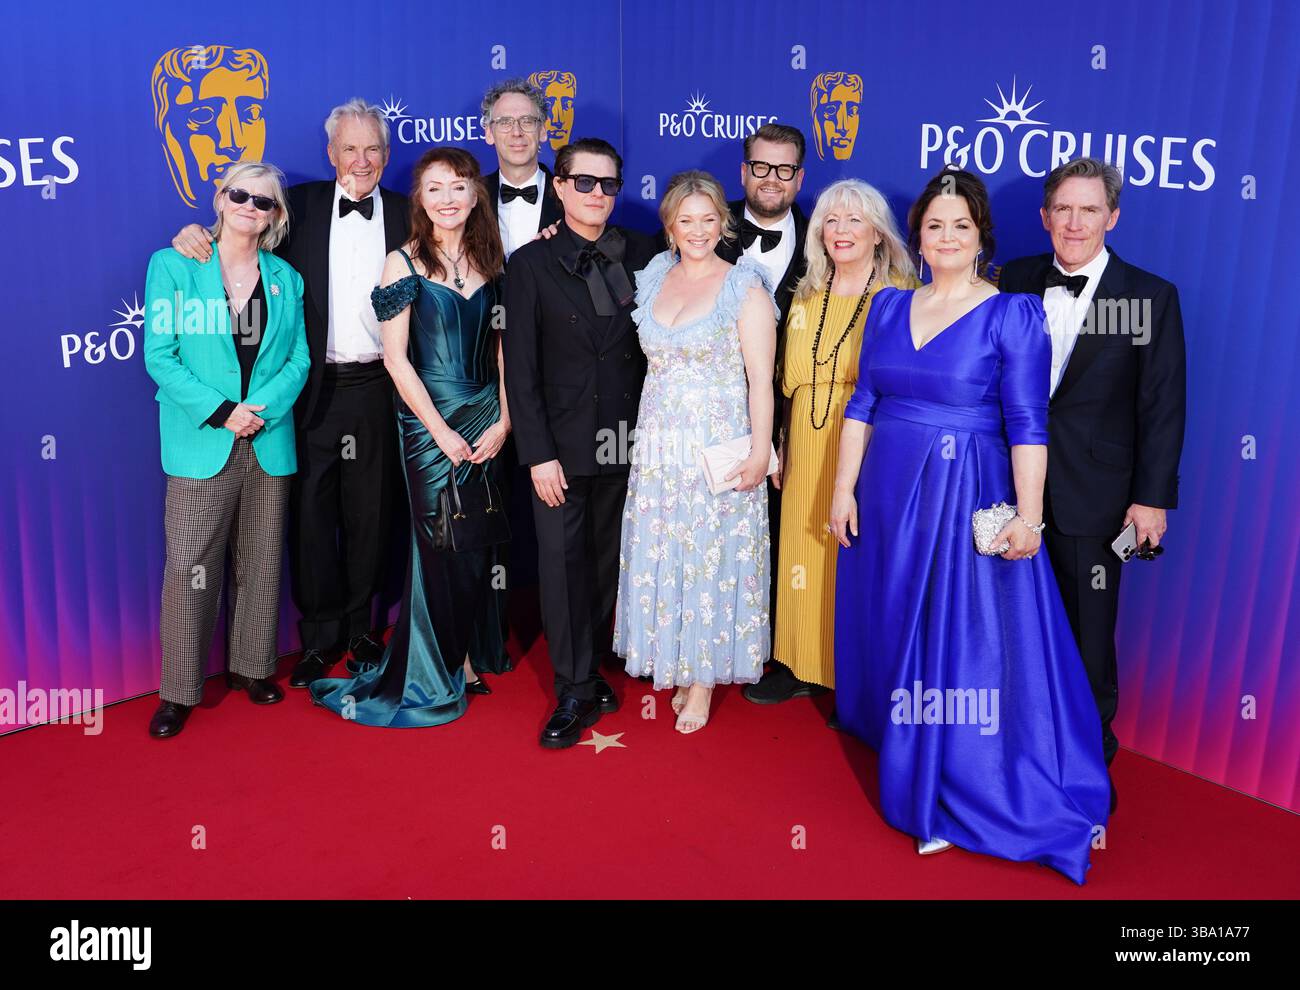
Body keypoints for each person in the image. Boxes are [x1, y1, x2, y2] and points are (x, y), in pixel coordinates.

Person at [829, 167, 1109, 883]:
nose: (947, 237)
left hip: (964, 496)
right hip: (888, 497)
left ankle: (952, 787)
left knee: (954, 640)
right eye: (934, 225)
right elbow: (862, 402)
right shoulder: (887, 307)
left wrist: (1030, 518)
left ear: (981, 234)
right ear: (916, 235)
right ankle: (900, 740)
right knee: (897, 623)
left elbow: (1027, 424)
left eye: (961, 225)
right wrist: (842, 489)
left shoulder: (1011, 315)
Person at [171, 98, 411, 688]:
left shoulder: (412, 213)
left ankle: (360, 630)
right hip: (308, 391)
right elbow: (239, 231)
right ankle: (318, 636)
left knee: (370, 515)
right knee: (308, 518)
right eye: (349, 148)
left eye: (372, 149)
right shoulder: (295, 207)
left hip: (383, 384)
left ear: (386, 155)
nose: (361, 160)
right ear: (331, 154)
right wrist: (193, 234)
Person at [1000, 158, 1186, 811]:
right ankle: (1010, 745)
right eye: (1063, 209)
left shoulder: (1148, 296)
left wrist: (1152, 496)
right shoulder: (1016, 278)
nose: (1074, 223)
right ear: (1046, 215)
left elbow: (1162, 405)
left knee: (1086, 632)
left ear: (1112, 216)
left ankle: (1082, 761)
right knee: (1006, 619)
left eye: (1089, 210)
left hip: (1096, 496)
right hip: (1007, 485)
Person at [309, 147, 510, 726]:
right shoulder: (403, 263)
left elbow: (503, 347)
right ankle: (434, 665)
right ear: (419, 199)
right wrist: (442, 432)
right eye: (435, 188)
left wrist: (505, 419)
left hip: (487, 413)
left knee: (478, 537)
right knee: (439, 540)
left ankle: (467, 654)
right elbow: (396, 362)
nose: (448, 198)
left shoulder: (493, 260)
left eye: (459, 186)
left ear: (476, 194)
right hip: (428, 420)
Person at [143, 162, 310, 738]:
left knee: (262, 559)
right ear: (220, 198)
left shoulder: (287, 279)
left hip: (266, 436)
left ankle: (251, 667)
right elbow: (160, 356)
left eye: (262, 201)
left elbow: (300, 360)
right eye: (239, 194)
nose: (248, 206)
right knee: (191, 564)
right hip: (202, 438)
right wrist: (223, 412)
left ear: (275, 216)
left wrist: (256, 410)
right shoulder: (173, 266)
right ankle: (179, 691)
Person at [503, 137, 656, 748]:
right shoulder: (529, 264)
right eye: (585, 183)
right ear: (559, 186)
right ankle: (572, 687)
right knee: (561, 564)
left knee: (606, 559)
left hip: (629, 441)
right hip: (559, 447)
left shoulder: (647, 254)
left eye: (609, 185)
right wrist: (537, 453)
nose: (597, 194)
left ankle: (593, 664)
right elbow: (520, 369)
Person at [614, 170, 778, 733]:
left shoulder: (745, 286)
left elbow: (762, 378)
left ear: (723, 223)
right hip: (660, 445)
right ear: (670, 226)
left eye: (709, 219)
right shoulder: (654, 275)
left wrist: (761, 452)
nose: (699, 230)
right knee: (668, 550)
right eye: (687, 220)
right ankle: (680, 663)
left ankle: (704, 679)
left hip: (719, 445)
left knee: (713, 557)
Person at [748, 179, 914, 707]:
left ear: (878, 234)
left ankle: (855, 677)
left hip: (867, 441)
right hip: (804, 436)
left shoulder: (902, 298)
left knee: (854, 553)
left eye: (854, 221)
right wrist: (780, 443)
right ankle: (798, 662)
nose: (840, 231)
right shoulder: (803, 293)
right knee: (802, 546)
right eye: (831, 220)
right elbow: (783, 379)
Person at [715, 123, 812, 700]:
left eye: (784, 169)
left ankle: (785, 654)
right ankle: (715, 639)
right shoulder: (702, 225)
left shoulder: (829, 237)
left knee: (789, 535)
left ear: (799, 177)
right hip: (715, 411)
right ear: (743, 170)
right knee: (717, 529)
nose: (770, 179)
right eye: (760, 166)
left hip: (803, 413)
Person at [480, 78, 564, 260]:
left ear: (542, 130)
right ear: (489, 133)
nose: (516, 132)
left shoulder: (571, 197)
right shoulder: (471, 197)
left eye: (527, 121)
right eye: (504, 122)